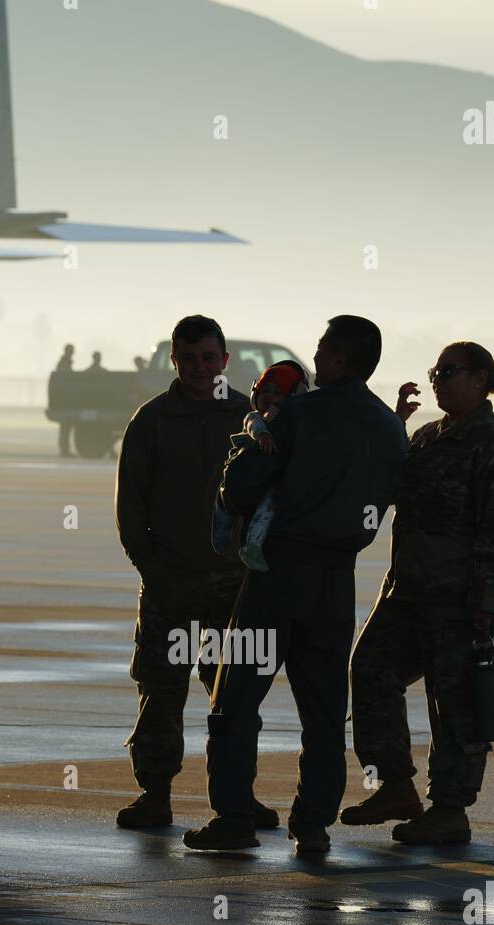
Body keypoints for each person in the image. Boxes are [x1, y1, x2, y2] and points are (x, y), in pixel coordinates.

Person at [183, 315, 408, 854]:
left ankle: (235, 818)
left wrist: (251, 444)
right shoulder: (387, 427)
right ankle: (312, 825)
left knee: (235, 698)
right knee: (324, 710)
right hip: (337, 582)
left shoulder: (297, 416)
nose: (315, 358)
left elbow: (240, 491)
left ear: (337, 358)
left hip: (276, 577)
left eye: (321, 350)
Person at [340, 341, 494, 846]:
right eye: (435, 371)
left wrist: (486, 609)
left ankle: (449, 809)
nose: (438, 379)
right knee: (370, 669)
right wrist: (392, 427)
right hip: (407, 594)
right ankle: (397, 787)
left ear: (481, 380)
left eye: (450, 371)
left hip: (463, 604)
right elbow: (384, 485)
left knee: (456, 707)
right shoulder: (427, 438)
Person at [115, 313, 279, 831]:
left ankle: (236, 799)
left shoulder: (251, 418)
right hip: (170, 585)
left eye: (208, 358)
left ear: (225, 361)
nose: (198, 368)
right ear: (174, 360)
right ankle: (155, 794)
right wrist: (154, 569)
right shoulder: (152, 421)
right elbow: (130, 509)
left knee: (234, 698)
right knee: (161, 691)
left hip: (234, 589)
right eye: (188, 359)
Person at [212, 360, 310, 571]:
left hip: (272, 481)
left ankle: (253, 546)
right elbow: (252, 423)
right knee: (223, 503)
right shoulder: (258, 418)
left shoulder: (294, 424)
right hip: (245, 472)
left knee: (267, 508)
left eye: (277, 391)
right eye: (264, 390)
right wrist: (263, 434)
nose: (269, 396)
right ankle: (220, 535)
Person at [54, 344, 75, 456]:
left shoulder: (64, 363)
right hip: (65, 401)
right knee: (65, 428)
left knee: (65, 428)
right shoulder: (64, 364)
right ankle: (64, 450)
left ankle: (64, 450)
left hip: (64, 401)